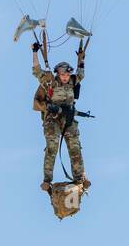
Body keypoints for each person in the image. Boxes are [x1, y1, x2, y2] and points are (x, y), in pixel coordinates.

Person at [32, 40, 88, 193]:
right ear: (58, 73)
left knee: (75, 146)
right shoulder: (50, 82)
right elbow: (37, 71)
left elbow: (81, 73)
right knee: (52, 148)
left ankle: (80, 177)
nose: (65, 77)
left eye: (67, 74)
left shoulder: (73, 81)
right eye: (63, 74)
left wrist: (81, 58)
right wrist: (35, 52)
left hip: (68, 117)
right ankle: (46, 180)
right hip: (53, 119)